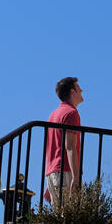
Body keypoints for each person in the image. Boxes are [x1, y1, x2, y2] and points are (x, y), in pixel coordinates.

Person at [43, 77, 84, 211]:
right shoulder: (71, 113)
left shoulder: (54, 114)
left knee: (62, 218)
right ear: (72, 92)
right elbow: (69, 146)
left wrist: (49, 186)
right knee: (72, 219)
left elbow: (54, 148)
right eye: (78, 88)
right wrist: (76, 177)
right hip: (66, 171)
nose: (82, 90)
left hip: (53, 172)